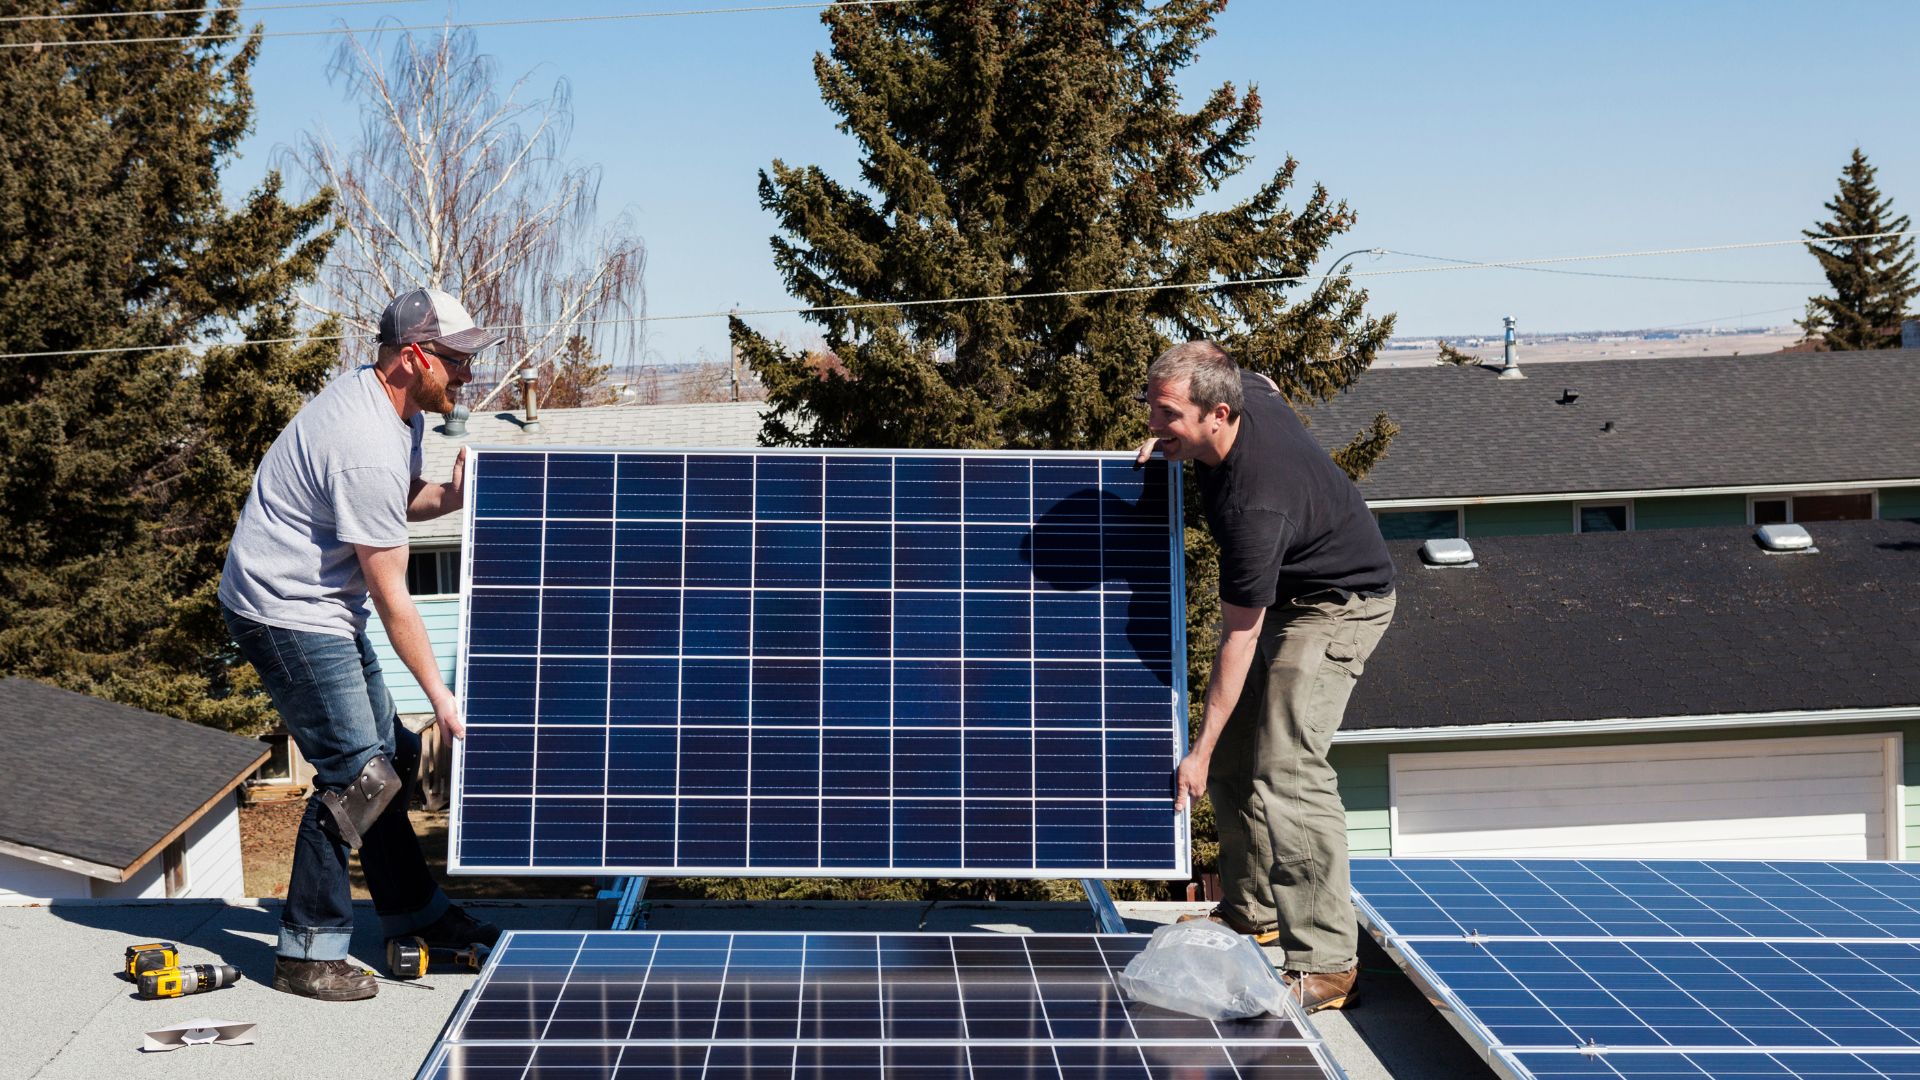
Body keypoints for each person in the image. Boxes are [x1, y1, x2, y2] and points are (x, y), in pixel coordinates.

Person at [219, 287, 504, 1001]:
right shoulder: (364, 442)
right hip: (284, 612)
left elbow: (396, 500)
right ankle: (306, 952)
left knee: (391, 763)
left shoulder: (391, 407)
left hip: (321, 607)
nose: (469, 375)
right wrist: (441, 696)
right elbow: (392, 593)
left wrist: (455, 495)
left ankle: (418, 916)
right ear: (414, 357)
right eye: (458, 361)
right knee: (359, 779)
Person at [1135, 340, 1396, 1012]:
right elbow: (1261, 377)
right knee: (1230, 764)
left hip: (1339, 603)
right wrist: (1168, 439)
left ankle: (1329, 963)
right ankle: (1252, 910)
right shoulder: (1246, 392)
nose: (1151, 419)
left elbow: (1239, 637)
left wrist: (1196, 748)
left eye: (1165, 413)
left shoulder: (1255, 506)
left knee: (1285, 766)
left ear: (1218, 414)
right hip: (1287, 592)